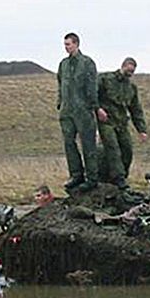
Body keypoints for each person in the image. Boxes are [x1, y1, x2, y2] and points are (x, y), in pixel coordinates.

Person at [57, 32, 100, 192]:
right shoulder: (63, 64)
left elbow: (92, 86)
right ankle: (76, 175)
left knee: (88, 144)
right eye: (65, 44)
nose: (66, 47)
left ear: (76, 44)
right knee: (69, 142)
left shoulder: (87, 63)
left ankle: (92, 178)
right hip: (67, 110)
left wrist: (93, 106)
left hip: (83, 110)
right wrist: (60, 102)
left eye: (68, 44)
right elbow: (60, 83)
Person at [96, 57, 148, 190]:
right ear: (123, 66)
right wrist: (98, 109)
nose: (129, 74)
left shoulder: (131, 88)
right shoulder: (105, 79)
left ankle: (122, 176)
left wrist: (141, 130)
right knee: (112, 148)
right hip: (106, 121)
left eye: (132, 72)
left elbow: (136, 109)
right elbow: (92, 95)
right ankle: (118, 178)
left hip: (121, 123)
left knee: (127, 149)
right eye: (128, 70)